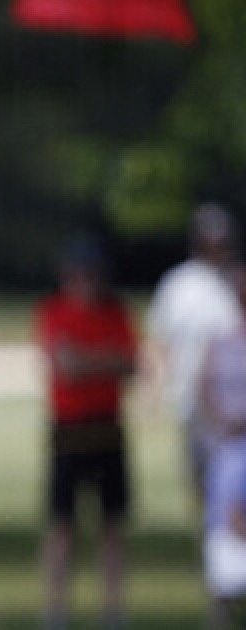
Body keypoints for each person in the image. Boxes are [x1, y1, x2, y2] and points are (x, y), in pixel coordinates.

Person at [32, 236, 137, 630]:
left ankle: (113, 611)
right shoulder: (54, 311)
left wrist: (90, 360)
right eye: (81, 273)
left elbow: (130, 365)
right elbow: (65, 365)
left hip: (107, 424)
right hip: (70, 426)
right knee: (62, 524)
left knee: (112, 523)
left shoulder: (115, 313)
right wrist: (104, 361)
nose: (87, 281)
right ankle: (56, 610)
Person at [147, 203, 242, 508]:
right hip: (192, 400)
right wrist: (154, 393)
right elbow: (161, 341)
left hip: (233, 402)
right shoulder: (178, 285)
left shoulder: (234, 283)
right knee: (200, 481)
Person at [198, 260, 246, 627]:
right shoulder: (222, 340)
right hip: (228, 446)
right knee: (224, 521)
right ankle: (224, 599)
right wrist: (222, 420)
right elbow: (205, 387)